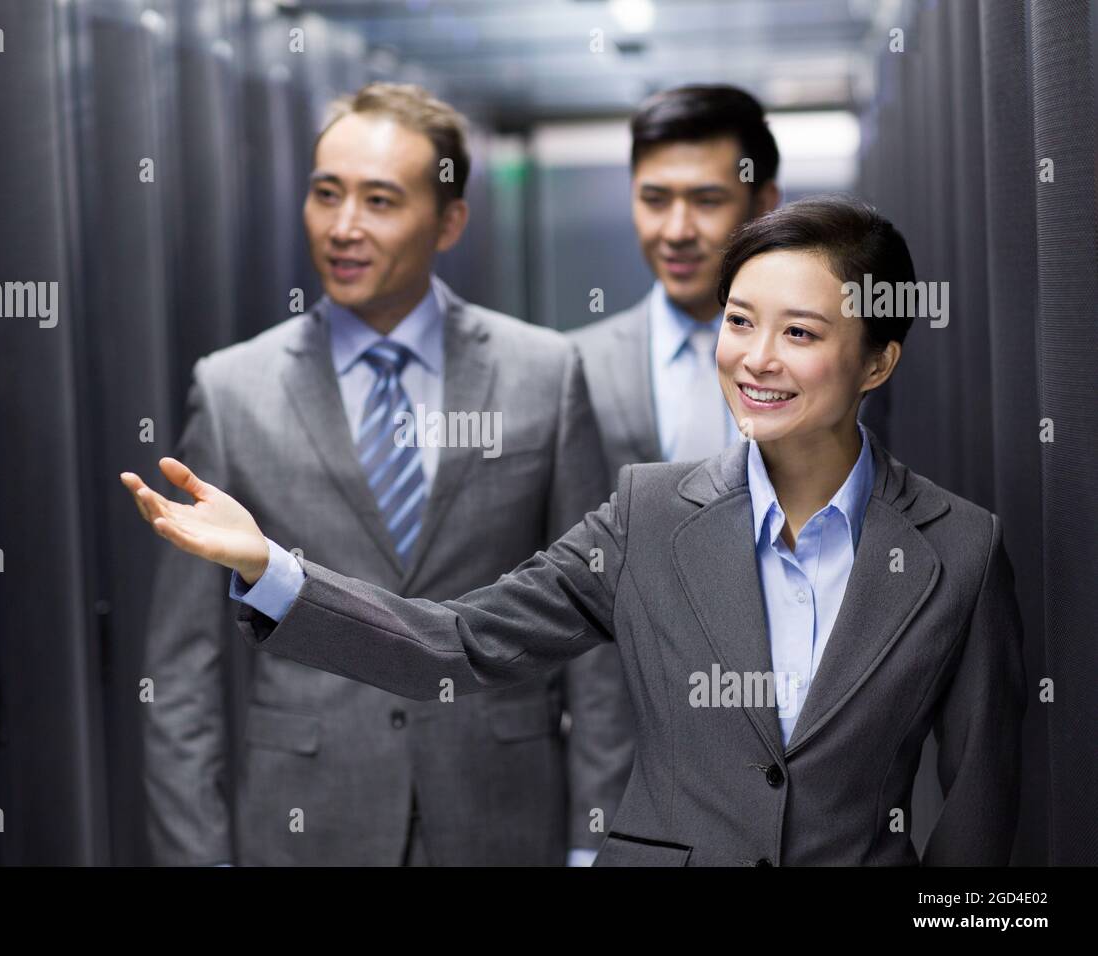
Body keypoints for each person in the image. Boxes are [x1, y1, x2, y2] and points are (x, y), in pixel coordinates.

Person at [124, 196, 1026, 866]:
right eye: (739, 321)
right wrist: (273, 568)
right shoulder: (646, 516)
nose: (756, 358)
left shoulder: (959, 551)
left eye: (800, 333)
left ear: (877, 361)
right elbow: (454, 645)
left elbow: (979, 811)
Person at [141, 82, 633, 867]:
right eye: (326, 194)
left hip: (501, 811)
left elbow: (595, 635)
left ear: (449, 221)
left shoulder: (544, 372)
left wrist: (593, 842)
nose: (344, 227)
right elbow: (182, 668)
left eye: (379, 201)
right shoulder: (233, 389)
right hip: (307, 817)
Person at [571, 85, 780, 476]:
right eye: (655, 200)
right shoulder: (576, 366)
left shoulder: (822, 362)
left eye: (707, 201)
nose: (677, 231)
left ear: (763, 205)